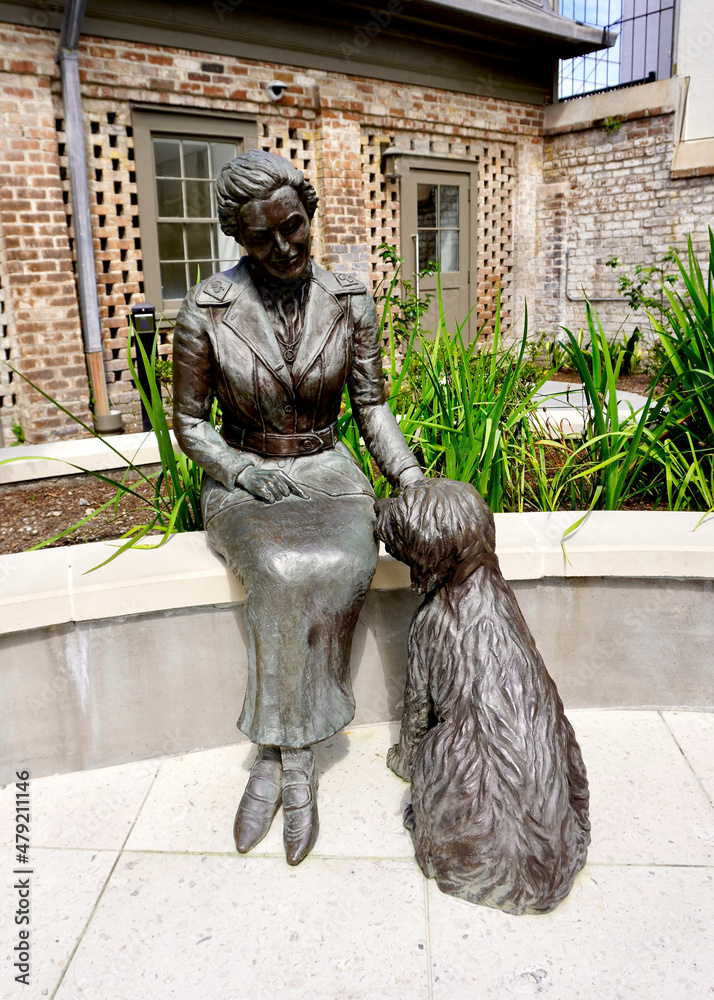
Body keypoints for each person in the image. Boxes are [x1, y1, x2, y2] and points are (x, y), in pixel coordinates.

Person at [172, 149, 424, 865]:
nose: (282, 248)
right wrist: (244, 471)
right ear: (238, 240)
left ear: (309, 214)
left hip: (328, 468)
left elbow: (371, 408)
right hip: (244, 475)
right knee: (281, 570)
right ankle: (295, 759)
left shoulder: (350, 301)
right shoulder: (207, 310)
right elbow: (189, 424)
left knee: (344, 560)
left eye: (293, 227)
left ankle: (279, 758)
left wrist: (407, 476)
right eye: (261, 238)